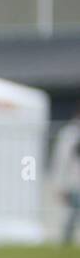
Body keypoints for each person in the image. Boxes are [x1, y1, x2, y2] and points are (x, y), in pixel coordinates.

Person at [51, 104, 80, 244]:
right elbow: (61, 160)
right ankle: (66, 243)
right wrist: (60, 185)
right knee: (71, 216)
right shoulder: (70, 134)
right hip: (74, 182)